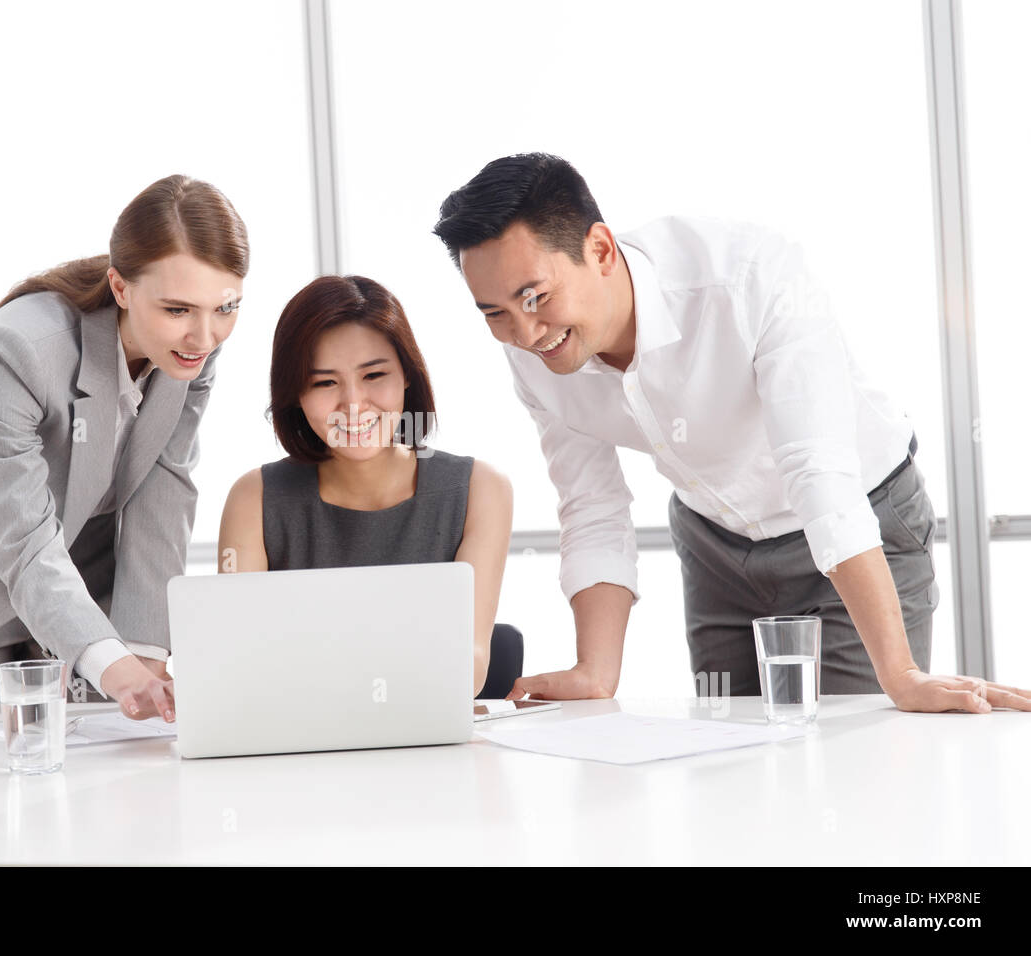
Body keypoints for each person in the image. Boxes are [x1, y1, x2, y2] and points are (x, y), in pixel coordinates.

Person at [432, 152, 1031, 714]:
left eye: (534, 296)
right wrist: (596, 672)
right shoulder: (533, 354)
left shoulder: (747, 276)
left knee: (855, 760)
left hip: (858, 517)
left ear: (601, 248)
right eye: (494, 313)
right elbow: (592, 504)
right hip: (715, 544)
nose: (526, 332)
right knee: (733, 762)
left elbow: (818, 471)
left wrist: (901, 676)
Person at [0, 174, 248, 722]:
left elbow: (165, 489)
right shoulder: (15, 347)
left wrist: (144, 650)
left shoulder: (194, 351)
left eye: (225, 308)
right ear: (120, 289)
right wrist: (113, 664)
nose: (205, 336)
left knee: (102, 772)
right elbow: (21, 535)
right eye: (178, 309)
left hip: (74, 565)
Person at [217, 275, 515, 697]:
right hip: (297, 746)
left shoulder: (480, 490)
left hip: (426, 743)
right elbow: (236, 661)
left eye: (374, 375)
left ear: (407, 375)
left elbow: (467, 664)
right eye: (324, 383)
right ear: (294, 394)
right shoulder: (255, 497)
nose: (353, 406)